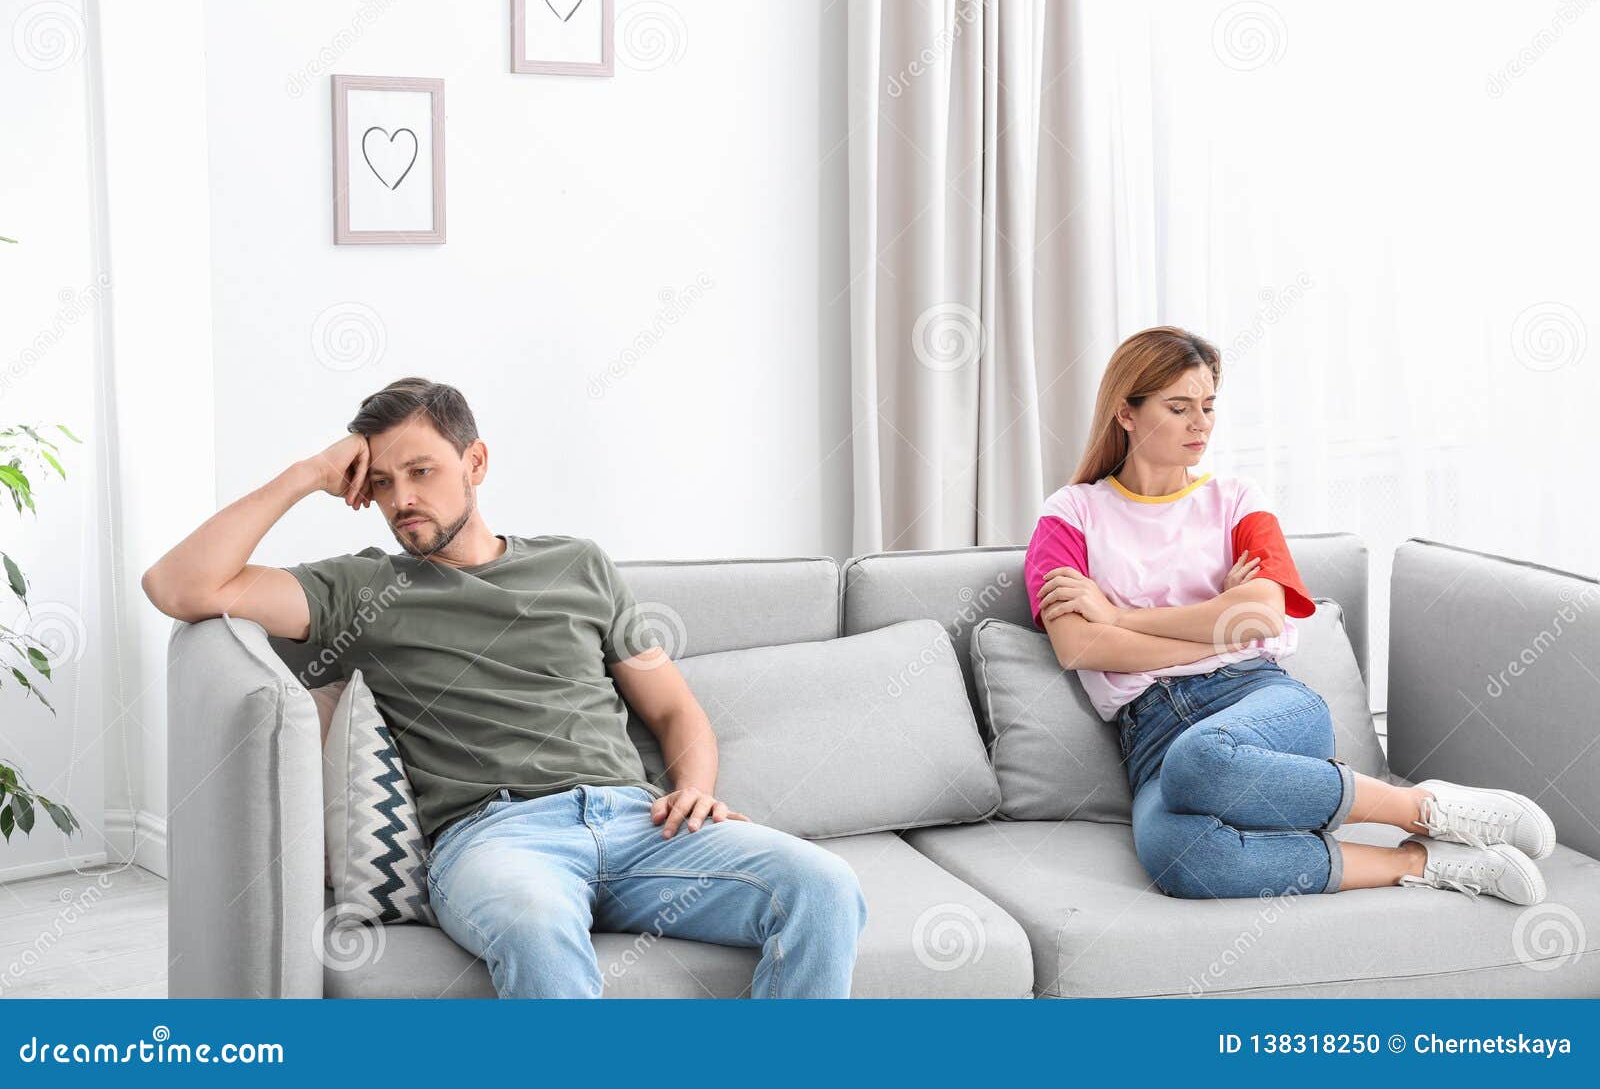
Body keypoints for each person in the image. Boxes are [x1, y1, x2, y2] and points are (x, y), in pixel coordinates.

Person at [141, 376, 867, 997]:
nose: (402, 499)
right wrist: (307, 474)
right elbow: (177, 585)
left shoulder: (579, 565)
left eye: (421, 471)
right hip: (496, 838)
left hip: (637, 821)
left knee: (825, 888)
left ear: (476, 461)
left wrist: (696, 788)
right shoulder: (362, 588)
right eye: (383, 482)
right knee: (532, 925)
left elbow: (676, 708)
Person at [1025, 326, 1556, 905]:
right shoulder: (1070, 513)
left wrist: (1118, 616)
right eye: (1178, 408)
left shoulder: (1237, 499)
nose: (1201, 424)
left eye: (1208, 407)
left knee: (1201, 762)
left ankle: (1426, 809)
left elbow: (1259, 617)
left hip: (1262, 699)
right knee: (1183, 859)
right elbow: (1080, 647)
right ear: (1126, 413)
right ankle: (1421, 861)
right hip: (1151, 734)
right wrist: (1219, 624)